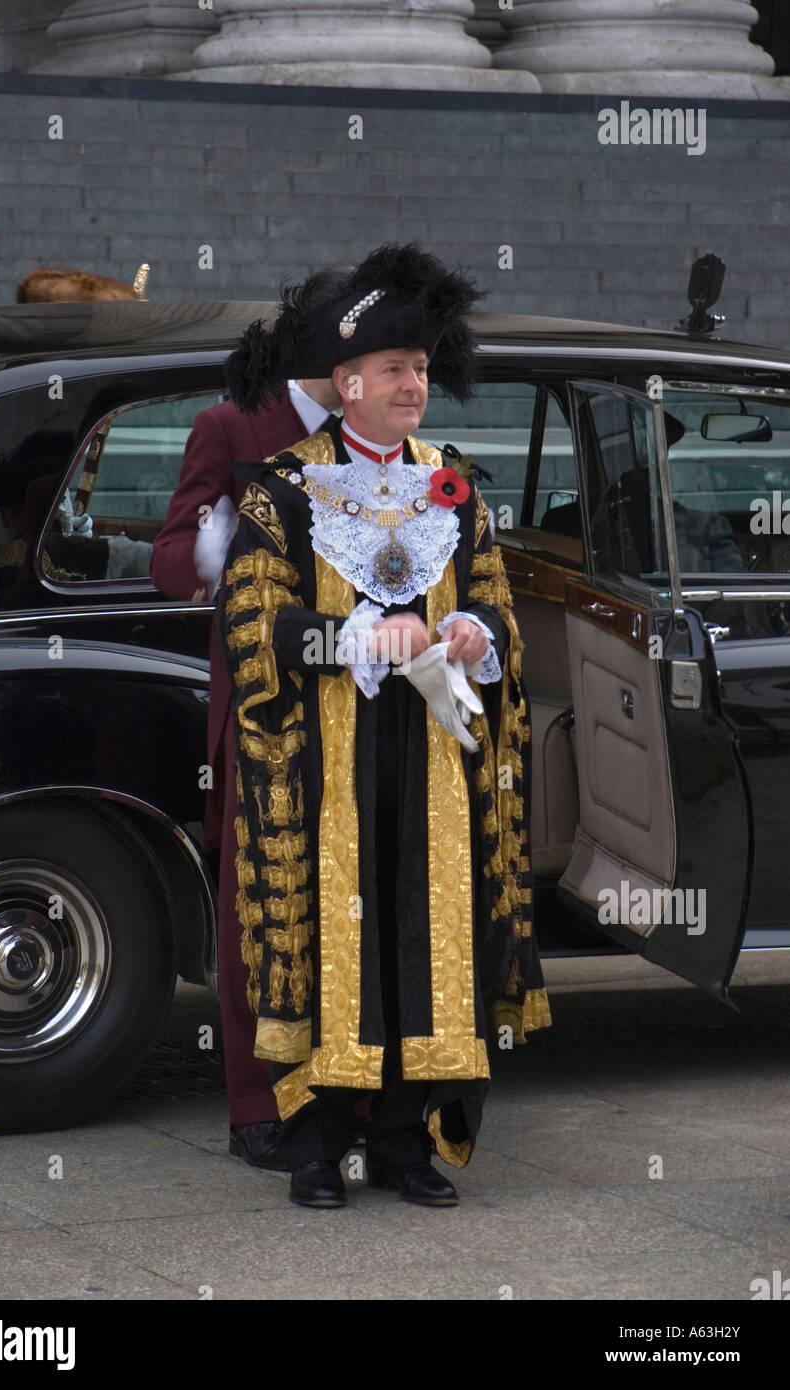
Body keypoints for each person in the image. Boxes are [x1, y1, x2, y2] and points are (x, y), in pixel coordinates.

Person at [217, 243, 551, 1209]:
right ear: (348, 383)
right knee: (334, 936)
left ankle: (407, 1142)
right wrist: (355, 639)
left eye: (422, 369)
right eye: (397, 370)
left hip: (437, 759)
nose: (416, 385)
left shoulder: (454, 482)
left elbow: (497, 606)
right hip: (327, 765)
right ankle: (318, 1145)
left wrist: (471, 634)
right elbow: (250, 624)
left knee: (420, 930)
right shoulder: (281, 489)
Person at [151, 270, 349, 1171]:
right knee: (255, 908)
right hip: (268, 699)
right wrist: (216, 546)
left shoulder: (380, 434)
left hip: (361, 699)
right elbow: (168, 561)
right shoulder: (231, 425)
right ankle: (255, 1103)